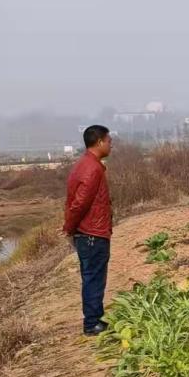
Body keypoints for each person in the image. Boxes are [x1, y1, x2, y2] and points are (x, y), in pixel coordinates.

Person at [63, 124, 113, 335]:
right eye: (109, 141)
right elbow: (80, 203)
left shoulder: (86, 164)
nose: (111, 145)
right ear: (99, 142)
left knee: (93, 278)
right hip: (92, 233)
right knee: (93, 278)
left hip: (90, 232)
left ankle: (96, 319)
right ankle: (92, 323)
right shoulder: (92, 169)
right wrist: (69, 228)